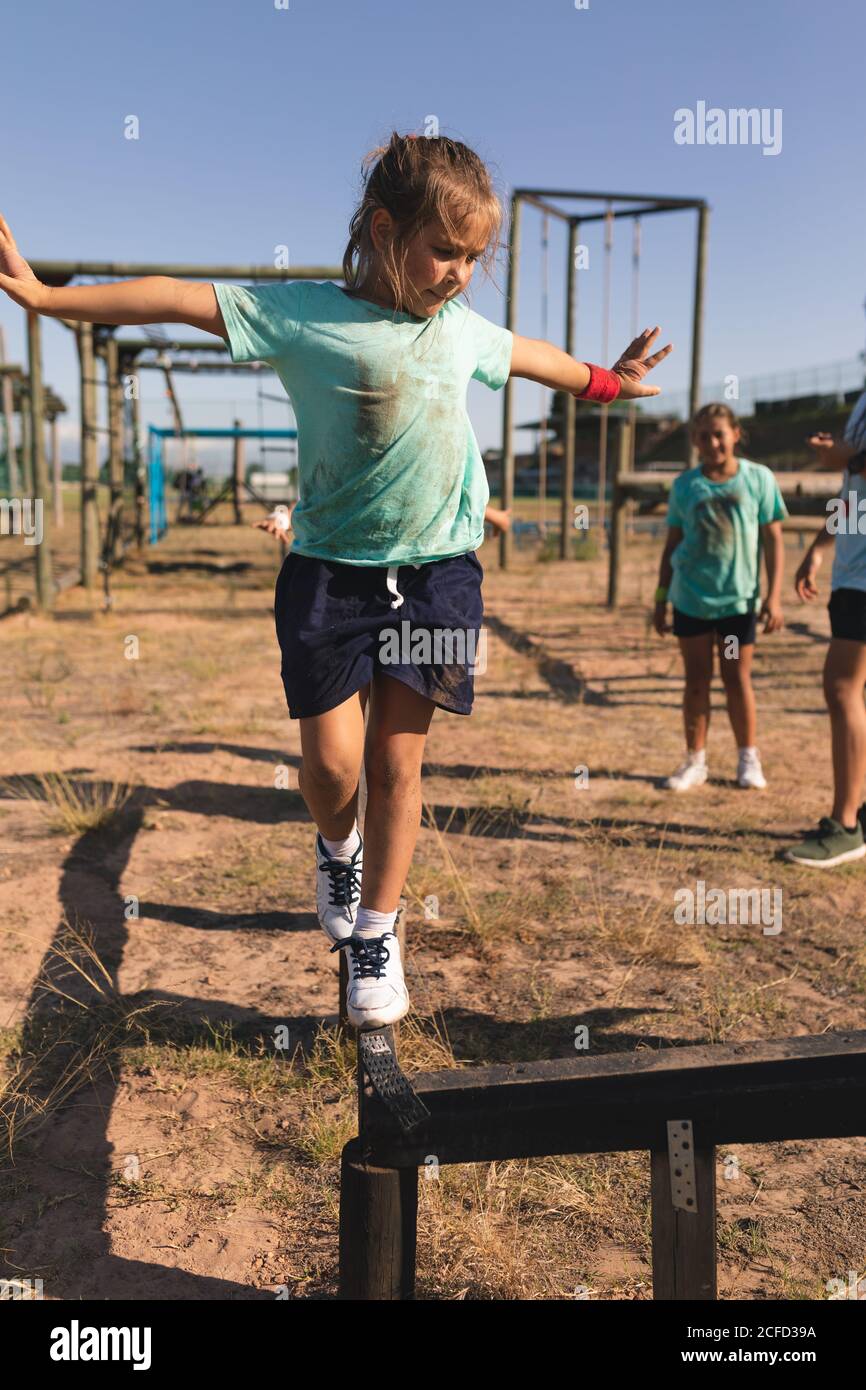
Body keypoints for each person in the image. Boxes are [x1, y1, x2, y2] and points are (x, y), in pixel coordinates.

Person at [0, 133, 671, 1029]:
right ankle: (335, 845)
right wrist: (50, 298)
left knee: (397, 762)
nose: (460, 274)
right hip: (330, 577)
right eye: (446, 250)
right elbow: (171, 298)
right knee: (332, 767)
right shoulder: (303, 315)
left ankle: (377, 933)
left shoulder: (461, 331)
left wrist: (609, 383)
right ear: (385, 230)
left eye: (476, 257)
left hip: (437, 574)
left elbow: (537, 359)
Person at [654, 403, 787, 791]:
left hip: (736, 605)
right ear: (694, 441)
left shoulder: (758, 479)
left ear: (735, 434)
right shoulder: (685, 486)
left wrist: (773, 597)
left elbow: (773, 539)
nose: (712, 442)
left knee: (735, 679)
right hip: (691, 602)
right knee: (696, 681)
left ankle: (748, 757)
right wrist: (660, 598)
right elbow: (671, 544)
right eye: (702, 436)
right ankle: (695, 760)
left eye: (719, 434)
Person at [785, 386, 866, 866]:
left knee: (841, 687)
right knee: (850, 690)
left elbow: (854, 469)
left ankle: (846, 825)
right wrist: (819, 546)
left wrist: (847, 457)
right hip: (852, 571)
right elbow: (852, 495)